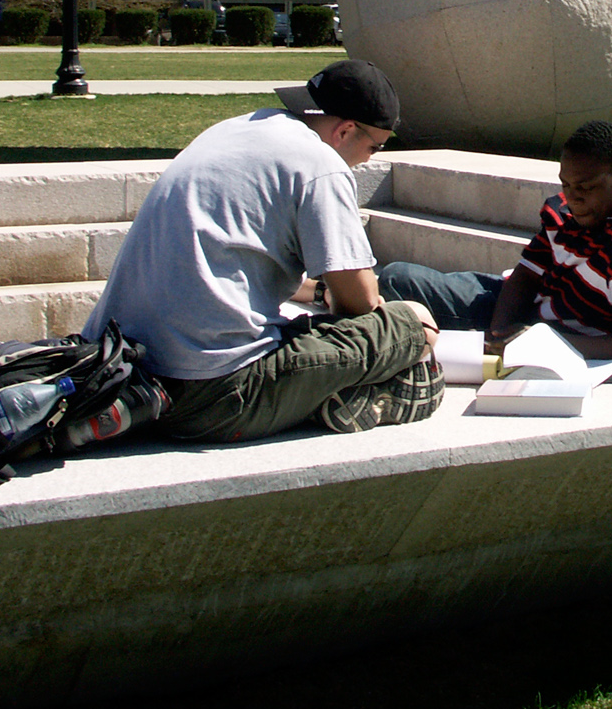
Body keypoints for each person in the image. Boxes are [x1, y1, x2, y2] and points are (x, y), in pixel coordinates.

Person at [80, 59, 444, 442]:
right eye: (375, 146)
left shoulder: (232, 130)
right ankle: (336, 397)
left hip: (120, 369)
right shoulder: (321, 165)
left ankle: (320, 396)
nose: (371, 158)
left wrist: (319, 293)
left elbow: (238, 261)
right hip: (210, 392)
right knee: (414, 324)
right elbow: (361, 307)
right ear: (346, 130)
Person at [378, 120, 612, 360]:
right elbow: (526, 274)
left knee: (398, 298)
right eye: (566, 184)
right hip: (519, 311)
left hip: (558, 336)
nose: (572, 197)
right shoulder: (566, 211)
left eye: (585, 187)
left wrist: (537, 344)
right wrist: (499, 334)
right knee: (395, 279)